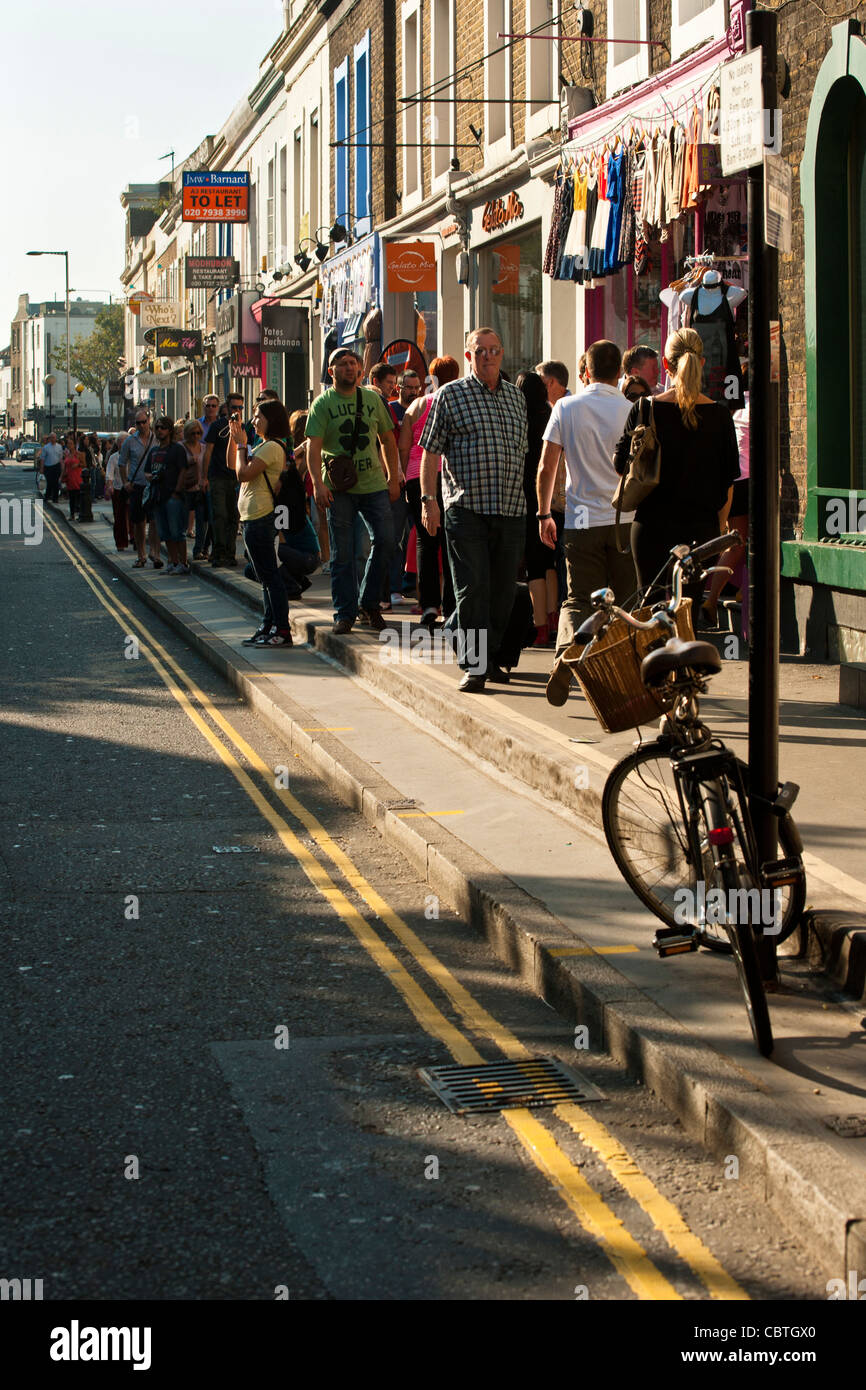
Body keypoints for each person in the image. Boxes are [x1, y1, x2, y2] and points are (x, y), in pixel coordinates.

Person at [418, 326, 528, 692]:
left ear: (502, 354)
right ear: (468, 356)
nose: (488, 356)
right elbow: (430, 452)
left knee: (502, 592)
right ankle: (475, 665)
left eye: (494, 350)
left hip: (511, 508)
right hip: (465, 508)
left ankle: (488, 653)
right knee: (472, 588)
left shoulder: (516, 398)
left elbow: (523, 454)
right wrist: (428, 501)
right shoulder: (450, 396)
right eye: (480, 351)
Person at [536, 339, 636, 706]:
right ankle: (625, 677)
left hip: (580, 519)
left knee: (578, 599)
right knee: (627, 601)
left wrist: (544, 513)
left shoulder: (565, 406)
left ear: (586, 371)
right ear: (620, 373)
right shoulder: (634, 409)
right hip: (625, 519)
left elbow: (547, 466)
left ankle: (567, 652)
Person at [613, 327, 738, 613]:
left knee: (651, 617)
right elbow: (728, 482)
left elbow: (621, 467)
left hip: (651, 529)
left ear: (666, 365)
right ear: (702, 362)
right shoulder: (720, 416)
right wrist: (718, 527)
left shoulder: (645, 408)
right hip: (701, 531)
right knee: (687, 620)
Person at [306, 347, 399, 635]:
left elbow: (387, 440)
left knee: (386, 541)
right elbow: (313, 447)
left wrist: (393, 478)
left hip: (373, 485)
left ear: (359, 370)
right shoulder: (322, 404)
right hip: (339, 488)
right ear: (331, 371)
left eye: (353, 364)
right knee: (342, 553)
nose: (349, 368)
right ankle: (344, 613)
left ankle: (368, 602)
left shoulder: (372, 399)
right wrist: (318, 485)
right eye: (342, 364)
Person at [399, 354, 460, 627]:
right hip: (448, 477)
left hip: (417, 478)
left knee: (426, 540)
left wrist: (402, 475)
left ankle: (428, 606)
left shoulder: (418, 405)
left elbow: (404, 445)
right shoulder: (458, 401)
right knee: (450, 541)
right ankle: (451, 605)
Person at [228, 398, 294, 647]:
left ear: (272, 420)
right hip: (251, 519)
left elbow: (243, 473)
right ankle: (269, 624)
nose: (253, 421)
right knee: (265, 576)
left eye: (258, 417)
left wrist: (242, 446)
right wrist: (235, 440)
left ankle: (282, 629)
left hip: (260, 517)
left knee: (270, 577)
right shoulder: (260, 445)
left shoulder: (272, 447)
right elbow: (232, 464)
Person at [701, 381, 750, 628]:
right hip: (747, 480)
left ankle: (734, 591)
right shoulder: (754, 408)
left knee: (734, 541)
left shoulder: (737, 410)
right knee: (739, 542)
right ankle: (715, 598)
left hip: (733, 480)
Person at [516, 370, 557, 647]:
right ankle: (554, 621)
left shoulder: (518, 421)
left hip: (527, 497)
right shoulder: (551, 416)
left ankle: (539, 626)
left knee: (534, 566)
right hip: (553, 495)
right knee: (549, 559)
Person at [203, 393, 242, 567]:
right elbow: (208, 452)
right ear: (227, 407)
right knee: (220, 515)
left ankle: (230, 552)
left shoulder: (244, 427)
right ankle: (218, 552)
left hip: (236, 478)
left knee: (234, 516)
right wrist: (203, 477)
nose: (237, 411)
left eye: (240, 407)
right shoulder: (218, 426)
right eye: (234, 407)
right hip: (218, 477)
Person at [120, 408, 162, 568]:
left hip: (154, 485)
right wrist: (125, 482)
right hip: (137, 486)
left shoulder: (157, 438)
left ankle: (155, 554)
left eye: (144, 422)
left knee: (155, 521)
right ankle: (141, 555)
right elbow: (122, 463)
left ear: (149, 421)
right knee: (138, 522)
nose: (141, 425)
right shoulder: (129, 441)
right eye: (138, 423)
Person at [151, 416, 191, 573]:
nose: (159, 431)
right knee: (165, 533)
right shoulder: (154, 451)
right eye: (157, 428)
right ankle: (173, 563)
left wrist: (176, 491)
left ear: (169, 430)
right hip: (158, 496)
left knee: (177, 533)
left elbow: (183, 470)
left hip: (173, 497)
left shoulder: (177, 449)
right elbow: (148, 471)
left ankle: (183, 563)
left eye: (163, 428)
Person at [104, 436, 131, 551]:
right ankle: (121, 542)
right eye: (120, 442)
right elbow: (109, 474)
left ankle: (135, 538)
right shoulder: (113, 458)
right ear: (117, 444)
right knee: (119, 518)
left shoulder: (133, 456)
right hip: (119, 490)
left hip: (132, 488)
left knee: (134, 516)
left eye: (125, 442)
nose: (123, 444)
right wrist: (109, 486)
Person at [61, 438, 83, 519]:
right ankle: (72, 514)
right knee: (71, 498)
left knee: (78, 497)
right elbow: (64, 467)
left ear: (74, 445)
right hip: (69, 478)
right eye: (68, 444)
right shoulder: (67, 455)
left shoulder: (79, 454)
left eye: (71, 444)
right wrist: (61, 477)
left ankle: (79, 513)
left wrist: (77, 465)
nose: (69, 445)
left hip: (77, 477)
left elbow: (84, 464)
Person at [39, 432, 63, 503]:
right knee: (49, 482)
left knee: (56, 483)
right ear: (49, 439)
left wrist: (62, 467)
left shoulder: (59, 447)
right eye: (51, 437)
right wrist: (41, 468)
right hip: (48, 467)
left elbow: (61, 458)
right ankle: (47, 496)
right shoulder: (46, 447)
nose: (53, 439)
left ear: (56, 438)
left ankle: (55, 498)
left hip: (56, 466)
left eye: (54, 437)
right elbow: (42, 458)